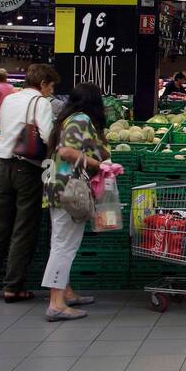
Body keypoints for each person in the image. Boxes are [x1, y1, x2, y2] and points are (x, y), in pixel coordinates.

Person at [0, 64, 59, 302]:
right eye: (51, 86)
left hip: (2, 165)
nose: (51, 90)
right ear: (44, 83)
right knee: (23, 227)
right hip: (26, 169)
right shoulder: (41, 103)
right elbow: (47, 136)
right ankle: (13, 286)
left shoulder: (9, 100)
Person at [41, 83, 107, 321]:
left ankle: (65, 293)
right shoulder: (80, 119)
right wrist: (97, 164)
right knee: (64, 245)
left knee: (61, 242)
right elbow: (68, 151)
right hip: (69, 189)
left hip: (59, 186)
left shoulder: (67, 119)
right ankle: (56, 304)